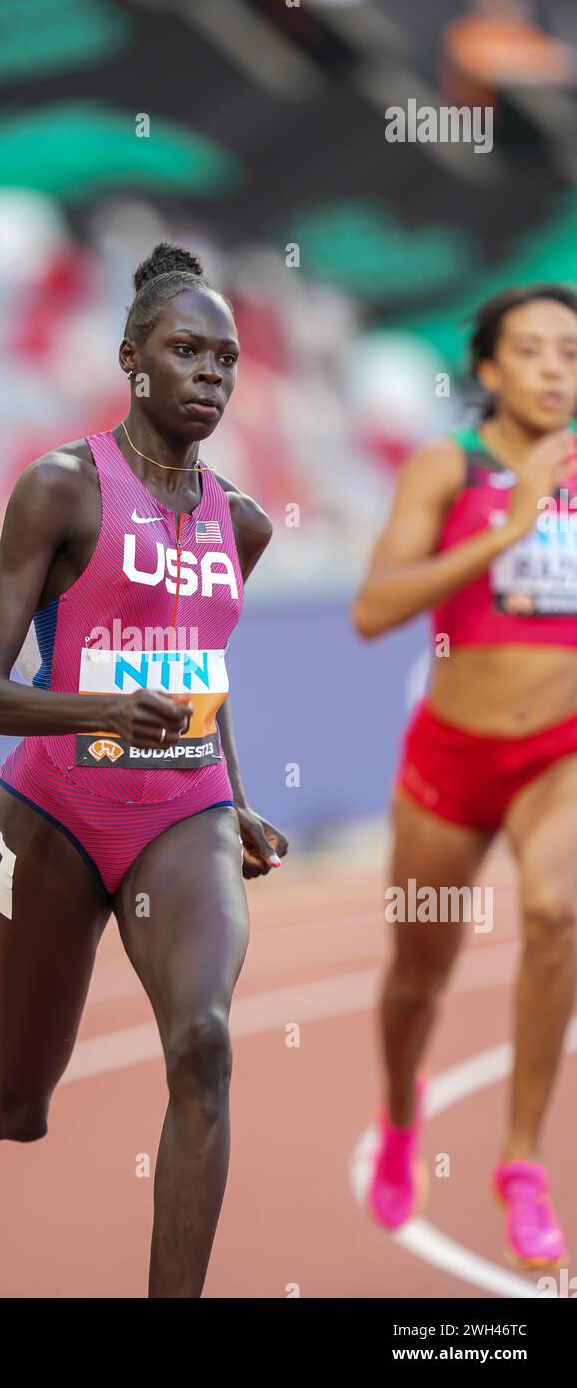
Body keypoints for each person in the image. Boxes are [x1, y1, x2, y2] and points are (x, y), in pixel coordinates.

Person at [0, 241, 287, 1297]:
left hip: (183, 813)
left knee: (202, 1043)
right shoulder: (60, 490)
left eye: (226, 359)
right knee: (20, 1106)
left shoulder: (240, 522)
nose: (209, 373)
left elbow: (204, 666)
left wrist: (238, 800)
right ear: (131, 358)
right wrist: (102, 709)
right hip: (50, 817)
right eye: (185, 351)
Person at [354, 284, 577, 1269]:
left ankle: (519, 1163)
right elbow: (372, 607)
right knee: (416, 978)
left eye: (568, 353)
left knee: (555, 913)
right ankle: (401, 1111)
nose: (551, 370)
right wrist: (503, 528)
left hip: (557, 751)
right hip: (449, 758)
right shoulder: (447, 466)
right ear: (486, 370)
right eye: (528, 351)